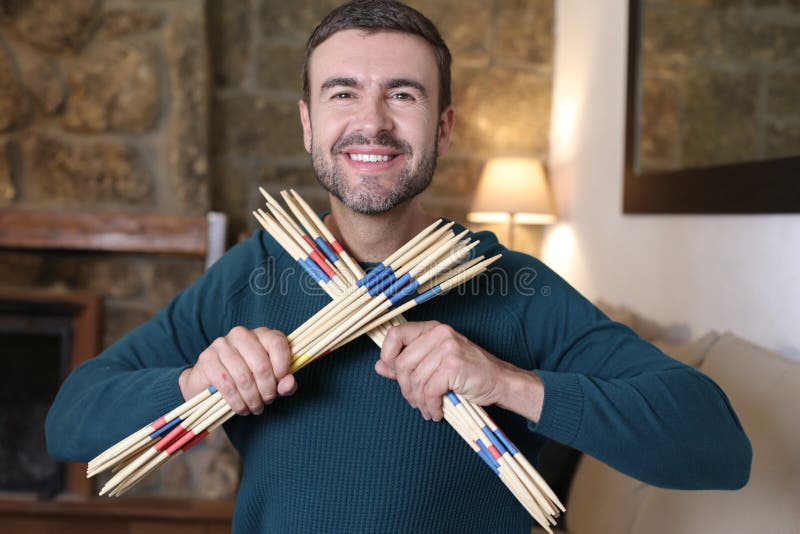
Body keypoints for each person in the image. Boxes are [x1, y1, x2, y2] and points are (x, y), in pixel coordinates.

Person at [46, 1, 752, 532]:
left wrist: (506, 382)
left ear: (444, 126)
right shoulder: (251, 275)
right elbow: (70, 420)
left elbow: (719, 447)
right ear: (307, 122)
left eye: (403, 95)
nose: (373, 122)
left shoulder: (509, 283)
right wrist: (195, 383)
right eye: (343, 92)